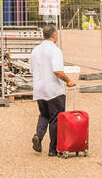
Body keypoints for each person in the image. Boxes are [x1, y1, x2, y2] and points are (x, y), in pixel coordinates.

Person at [30, 23, 76, 157]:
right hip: (54, 90)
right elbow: (58, 71)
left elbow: (32, 70)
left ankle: (38, 135)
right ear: (54, 36)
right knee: (56, 118)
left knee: (44, 114)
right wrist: (68, 81)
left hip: (39, 89)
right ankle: (53, 149)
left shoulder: (35, 50)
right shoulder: (55, 50)